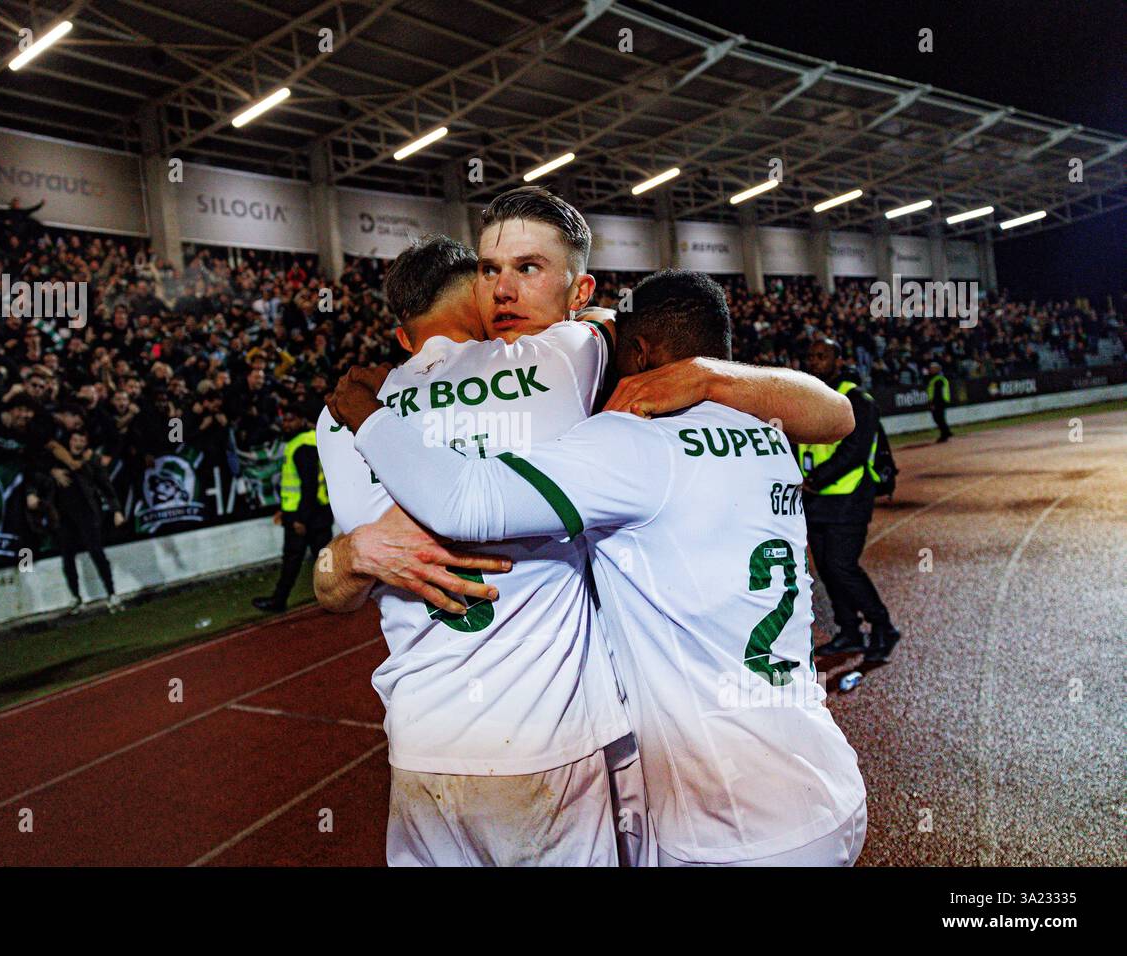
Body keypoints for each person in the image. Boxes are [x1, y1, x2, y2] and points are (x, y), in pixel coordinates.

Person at [314, 191, 854, 866]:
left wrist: (353, 549)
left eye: (524, 271)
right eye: (491, 274)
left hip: (424, 748)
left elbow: (332, 590)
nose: (505, 291)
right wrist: (707, 372)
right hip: (569, 749)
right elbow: (835, 415)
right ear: (477, 300)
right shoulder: (570, 361)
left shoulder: (339, 417)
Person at [797, 337, 901, 663]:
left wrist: (816, 478)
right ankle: (849, 632)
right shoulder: (809, 396)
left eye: (822, 355)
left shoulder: (856, 399)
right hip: (815, 501)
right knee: (827, 570)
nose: (814, 361)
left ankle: (883, 626)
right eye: (811, 356)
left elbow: (855, 451)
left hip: (849, 498)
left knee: (842, 567)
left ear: (838, 361)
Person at [251, 405, 334, 613]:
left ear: (301, 420)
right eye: (284, 421)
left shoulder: (301, 445)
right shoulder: (309, 440)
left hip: (306, 516)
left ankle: (280, 601)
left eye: (291, 420)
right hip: (316, 513)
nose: (286, 424)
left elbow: (309, 486)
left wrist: (300, 519)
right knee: (324, 560)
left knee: (297, 560)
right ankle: (337, 598)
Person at [54, 428, 124, 612]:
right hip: (65, 515)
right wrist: (53, 473)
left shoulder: (92, 461)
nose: (77, 443)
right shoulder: (57, 461)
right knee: (68, 557)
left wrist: (116, 510)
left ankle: (112, 594)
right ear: (69, 441)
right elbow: (36, 469)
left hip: (87, 513)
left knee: (96, 552)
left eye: (81, 440)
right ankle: (76, 597)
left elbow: (106, 486)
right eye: (75, 439)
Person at [926, 361, 952, 442]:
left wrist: (933, 403)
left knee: (938, 418)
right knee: (940, 418)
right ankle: (946, 432)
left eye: (932, 368)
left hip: (939, 402)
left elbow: (937, 393)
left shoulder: (937, 379)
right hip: (942, 401)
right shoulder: (938, 378)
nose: (930, 370)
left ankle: (945, 434)